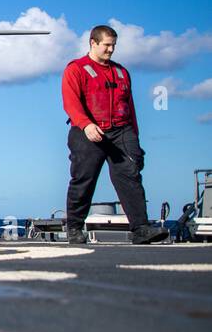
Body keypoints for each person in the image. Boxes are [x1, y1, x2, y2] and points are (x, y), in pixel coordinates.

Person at [61, 25, 168, 245]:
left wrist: (135, 139)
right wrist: (86, 125)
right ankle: (74, 228)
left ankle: (141, 229)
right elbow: (70, 102)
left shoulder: (121, 72)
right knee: (84, 179)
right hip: (88, 130)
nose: (111, 50)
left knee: (131, 175)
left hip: (121, 131)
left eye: (114, 46)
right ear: (93, 43)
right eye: (107, 45)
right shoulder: (76, 69)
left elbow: (130, 107)